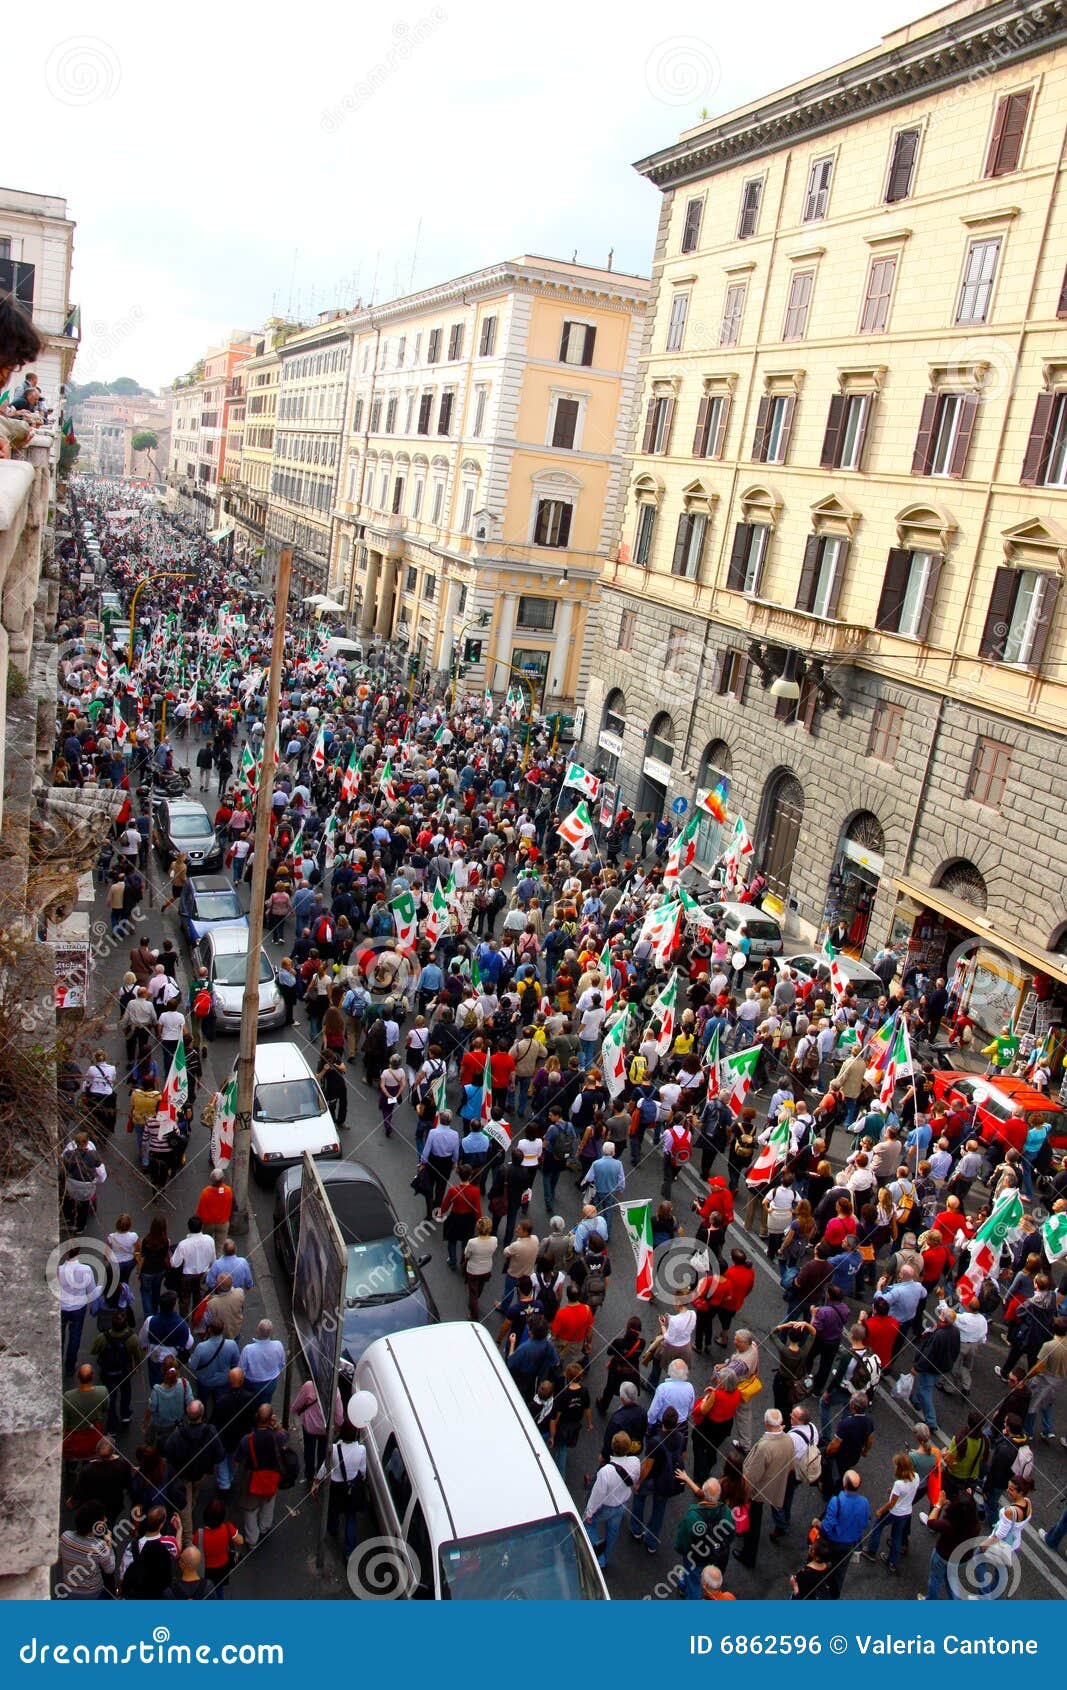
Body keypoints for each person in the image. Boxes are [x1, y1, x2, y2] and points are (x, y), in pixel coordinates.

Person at [736, 1408, 797, 1568]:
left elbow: (751, 1476)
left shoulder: (764, 1447)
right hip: (775, 1485)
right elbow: (791, 1465)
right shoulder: (789, 1440)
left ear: (765, 1423)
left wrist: (743, 1493)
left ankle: (748, 1556)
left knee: (753, 1522)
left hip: (759, 1490)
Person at [583, 1431, 641, 1570]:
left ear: (612, 1447)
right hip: (621, 1505)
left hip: (606, 1507)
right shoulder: (635, 1462)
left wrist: (589, 1512)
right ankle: (604, 1560)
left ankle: (597, 1551)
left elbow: (598, 1495)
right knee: (612, 1533)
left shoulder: (606, 1471)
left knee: (586, 1524)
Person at [234, 1404, 289, 1547]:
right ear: (271, 1419)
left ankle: (252, 1539)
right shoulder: (277, 1436)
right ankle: (265, 1526)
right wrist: (276, 1426)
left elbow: (238, 1458)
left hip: (252, 1476)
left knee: (251, 1509)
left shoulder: (247, 1440)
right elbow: (286, 1435)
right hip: (271, 1476)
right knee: (268, 1501)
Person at [313, 1423, 368, 1558]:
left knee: (334, 1509)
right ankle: (349, 1552)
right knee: (351, 1517)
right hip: (352, 1487)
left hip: (336, 1486)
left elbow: (325, 1467)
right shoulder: (361, 1449)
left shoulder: (334, 1449)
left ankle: (333, 1528)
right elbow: (362, 1470)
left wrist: (316, 1481)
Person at [861, 1451, 921, 1572]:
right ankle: (892, 1561)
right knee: (897, 1536)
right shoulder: (916, 1476)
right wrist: (893, 1491)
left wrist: (881, 1510)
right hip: (906, 1512)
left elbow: (892, 1503)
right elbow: (909, 1491)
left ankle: (871, 1551)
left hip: (894, 1512)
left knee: (878, 1525)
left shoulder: (899, 1484)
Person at [819, 1469, 872, 1597]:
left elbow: (826, 1527)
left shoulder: (836, 1501)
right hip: (849, 1544)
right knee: (840, 1572)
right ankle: (833, 1596)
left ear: (844, 1484)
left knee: (821, 1566)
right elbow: (864, 1524)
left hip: (832, 1542)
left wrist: (817, 1524)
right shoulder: (864, 1502)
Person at [58, 1502, 116, 1600]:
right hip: (92, 1594)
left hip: (69, 1590)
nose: (106, 1519)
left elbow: (61, 1558)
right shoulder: (100, 1546)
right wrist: (109, 1543)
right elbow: (110, 1569)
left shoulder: (65, 1537)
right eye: (103, 1518)